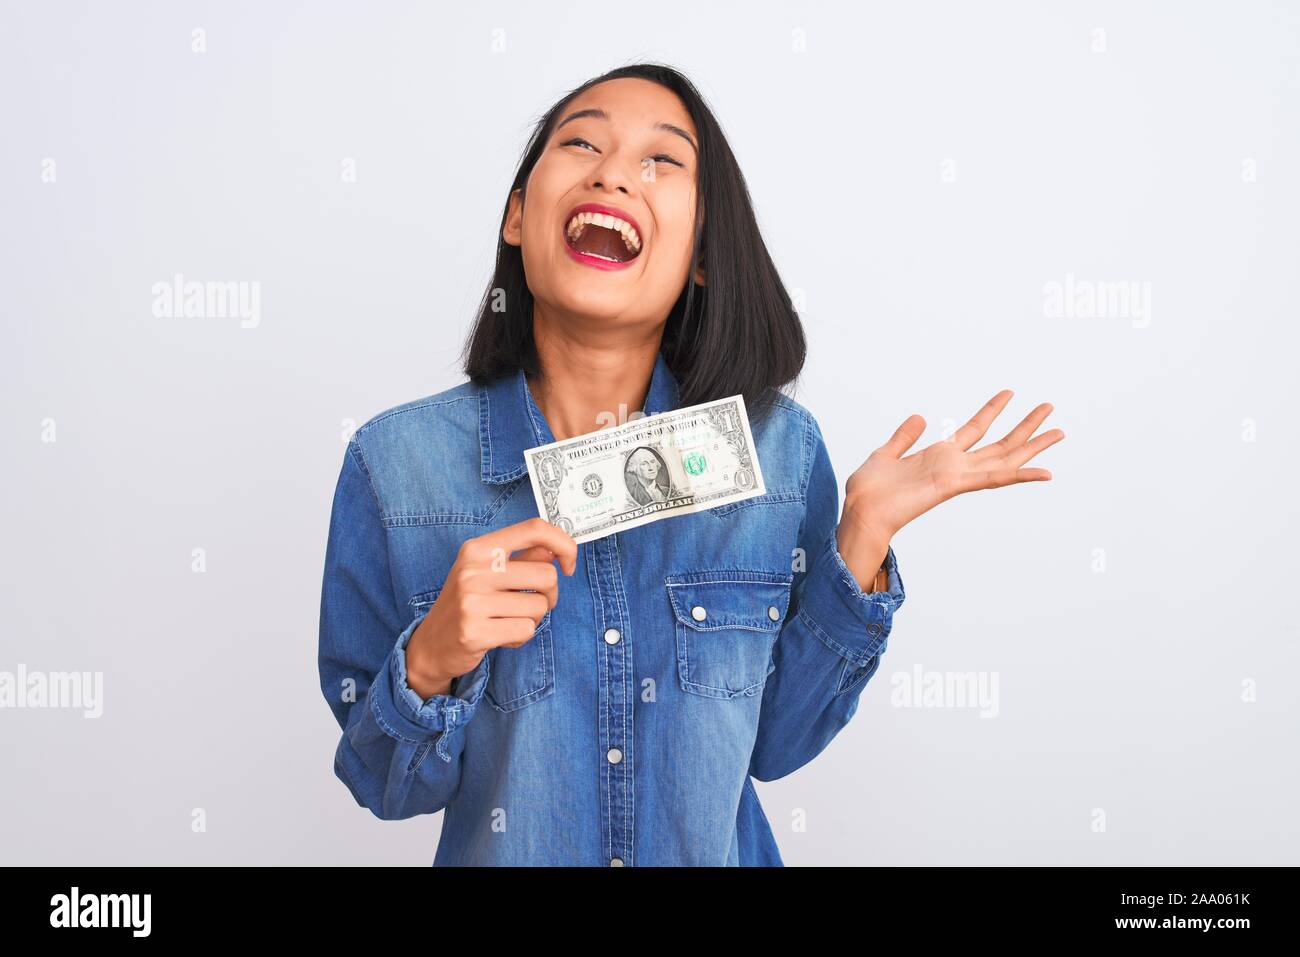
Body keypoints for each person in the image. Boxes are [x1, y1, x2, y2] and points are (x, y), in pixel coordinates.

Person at [317, 63, 1064, 866]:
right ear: (516, 215)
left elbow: (776, 742)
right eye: (580, 143)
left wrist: (862, 538)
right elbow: (387, 784)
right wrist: (430, 659)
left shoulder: (781, 452)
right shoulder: (394, 466)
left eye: (659, 161)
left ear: (703, 255)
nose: (612, 171)